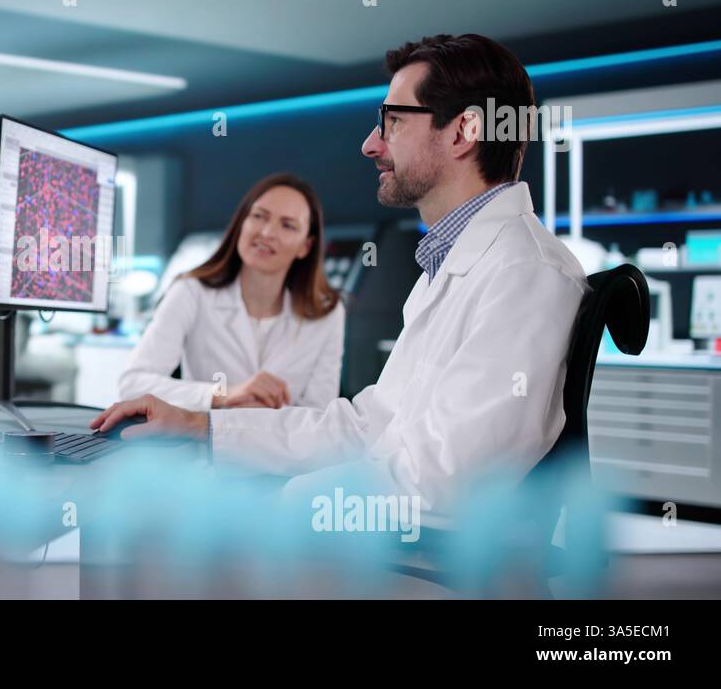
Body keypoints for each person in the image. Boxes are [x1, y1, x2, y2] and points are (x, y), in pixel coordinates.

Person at [91, 34, 589, 516]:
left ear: (463, 132)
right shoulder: (449, 267)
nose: (371, 145)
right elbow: (365, 427)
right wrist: (202, 425)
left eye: (393, 122)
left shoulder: (524, 275)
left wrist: (276, 506)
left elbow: (442, 478)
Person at [117, 173, 345, 410]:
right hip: (203, 444)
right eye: (259, 216)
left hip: (283, 447)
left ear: (305, 246)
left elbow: (321, 417)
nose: (267, 233)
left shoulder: (327, 313)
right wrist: (222, 393)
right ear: (241, 224)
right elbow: (133, 384)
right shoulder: (191, 292)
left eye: (287, 225)